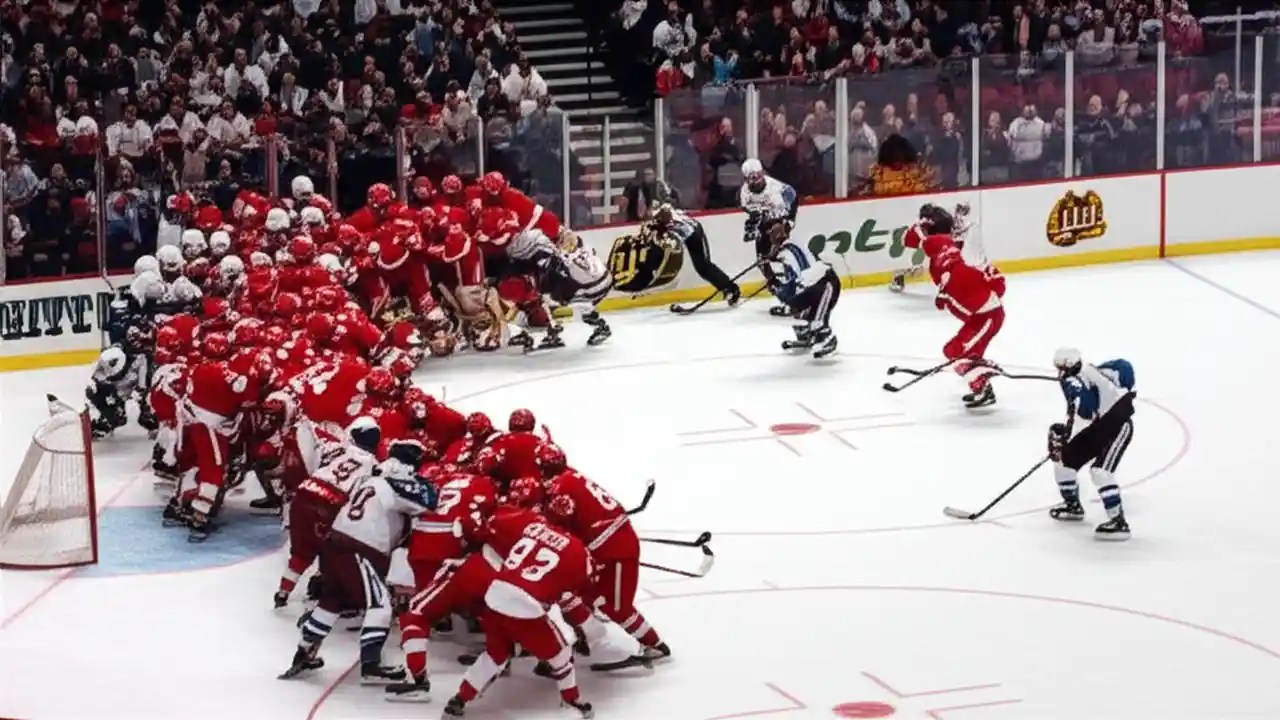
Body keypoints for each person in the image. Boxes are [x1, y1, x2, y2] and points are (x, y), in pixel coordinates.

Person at [1047, 348, 1136, 540]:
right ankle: (1072, 506)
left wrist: (1065, 436)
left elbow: (1085, 412)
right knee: (1064, 462)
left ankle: (1119, 522)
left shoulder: (1076, 382)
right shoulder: (1088, 372)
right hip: (1097, 428)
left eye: (1061, 368)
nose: (1059, 372)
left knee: (1100, 472)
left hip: (1117, 427)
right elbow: (1123, 368)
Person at [769, 218, 839, 358]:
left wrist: (778, 290)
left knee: (814, 318)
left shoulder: (786, 255)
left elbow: (793, 283)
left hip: (825, 284)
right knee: (796, 307)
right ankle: (808, 333)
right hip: (815, 283)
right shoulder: (792, 243)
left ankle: (827, 338)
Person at [645, 202, 739, 305]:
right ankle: (726, 288)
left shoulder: (668, 218)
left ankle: (730, 288)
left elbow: (671, 235)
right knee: (701, 268)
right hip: (688, 234)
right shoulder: (662, 216)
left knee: (704, 266)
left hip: (694, 233)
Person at [739, 158, 798, 317]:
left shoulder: (777, 190)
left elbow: (793, 196)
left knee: (785, 258)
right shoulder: (745, 193)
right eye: (752, 178)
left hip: (779, 223)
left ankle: (793, 295)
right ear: (746, 179)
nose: (757, 180)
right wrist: (753, 226)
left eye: (759, 176)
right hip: (765, 225)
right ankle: (773, 283)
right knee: (762, 260)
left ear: (763, 173)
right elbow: (752, 214)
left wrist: (789, 222)